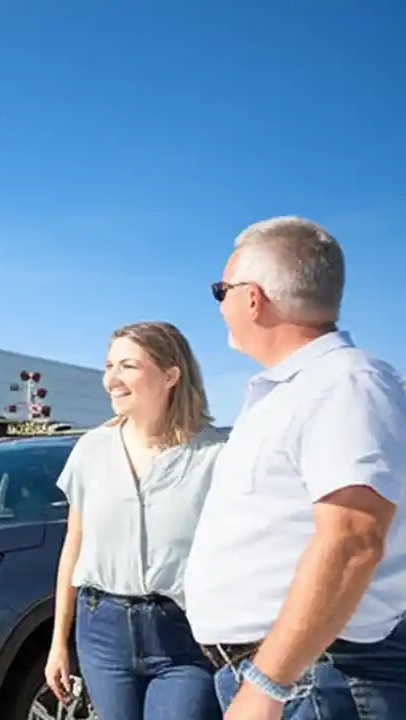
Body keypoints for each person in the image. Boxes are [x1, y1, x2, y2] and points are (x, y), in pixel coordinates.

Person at [184, 216, 406, 720]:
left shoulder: (345, 383)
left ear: (254, 298)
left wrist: (266, 684)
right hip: (296, 676)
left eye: (222, 290)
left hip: (316, 680)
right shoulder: (300, 391)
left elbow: (352, 540)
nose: (220, 305)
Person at [45, 321, 226, 720]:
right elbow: (73, 547)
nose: (112, 379)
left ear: (170, 375)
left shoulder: (216, 455)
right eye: (109, 366)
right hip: (102, 632)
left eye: (127, 365)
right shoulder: (91, 450)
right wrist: (59, 641)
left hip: (184, 636)